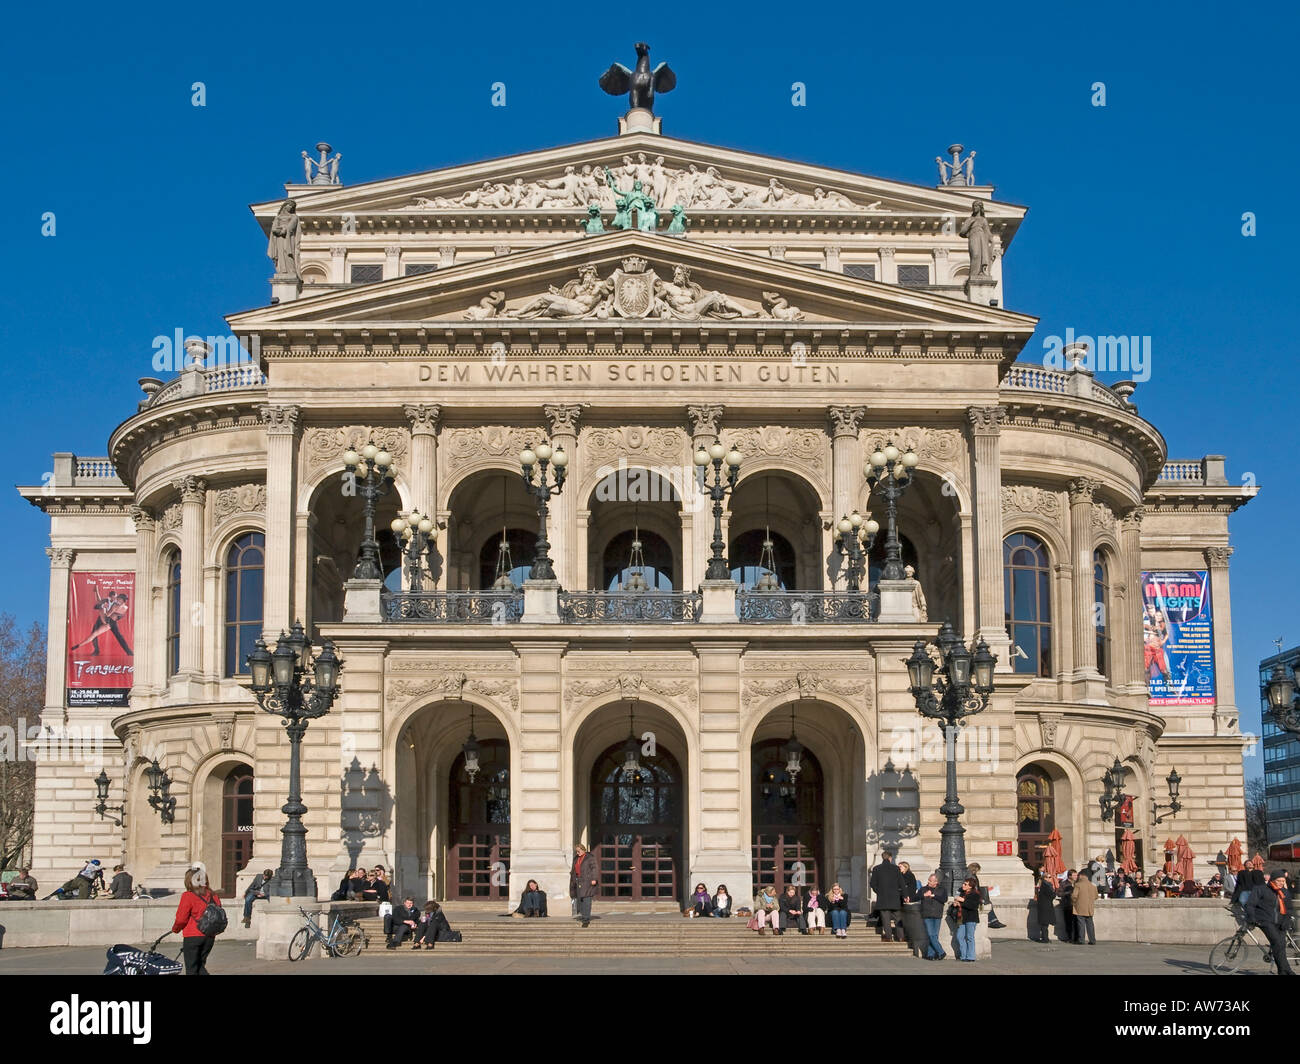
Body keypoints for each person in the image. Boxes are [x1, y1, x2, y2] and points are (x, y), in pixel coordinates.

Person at [171, 864, 221, 975]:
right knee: (200, 966)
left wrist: (175, 929)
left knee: (192, 968)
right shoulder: (214, 895)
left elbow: (181, 919)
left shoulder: (188, 896)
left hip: (193, 936)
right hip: (209, 936)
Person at [1247, 870, 1295, 976]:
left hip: (1281, 922)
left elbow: (1289, 909)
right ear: (1272, 880)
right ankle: (1288, 970)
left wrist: (1287, 920)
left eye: (1283, 881)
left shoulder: (1285, 892)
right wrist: (1252, 917)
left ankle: (1282, 971)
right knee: (1277, 942)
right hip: (1265, 920)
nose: (1282, 883)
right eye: (1279, 880)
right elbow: (1250, 904)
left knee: (1280, 946)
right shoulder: (1261, 889)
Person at [870, 850, 904, 942]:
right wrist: (905, 895)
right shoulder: (896, 868)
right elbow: (901, 883)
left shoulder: (876, 868)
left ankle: (889, 937)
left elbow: (872, 883)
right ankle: (901, 936)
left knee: (886, 919)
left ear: (882, 857)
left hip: (883, 898)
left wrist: (879, 891)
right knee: (898, 918)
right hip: (895, 897)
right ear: (890, 858)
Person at [919, 873, 948, 960]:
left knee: (934, 935)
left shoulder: (942, 889)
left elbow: (944, 899)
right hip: (927, 914)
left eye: (931, 881)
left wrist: (934, 896)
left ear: (936, 882)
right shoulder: (923, 889)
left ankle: (930, 954)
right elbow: (916, 897)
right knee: (931, 934)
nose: (929, 882)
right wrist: (924, 895)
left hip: (937, 914)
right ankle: (941, 952)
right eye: (929, 880)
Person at [967, 862, 1005, 928]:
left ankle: (993, 921)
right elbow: (973, 888)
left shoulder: (971, 875)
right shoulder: (971, 876)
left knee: (987, 902)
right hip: (972, 897)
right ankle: (992, 921)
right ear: (974, 869)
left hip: (973, 896)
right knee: (986, 902)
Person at [569, 843, 599, 927]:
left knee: (587, 899)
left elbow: (594, 868)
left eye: (578, 851)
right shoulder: (576, 858)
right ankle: (583, 915)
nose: (577, 853)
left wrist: (594, 879)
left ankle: (586, 919)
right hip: (578, 881)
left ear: (583, 849)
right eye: (576, 851)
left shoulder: (590, 857)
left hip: (588, 881)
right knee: (580, 899)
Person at [953, 878, 981, 961]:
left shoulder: (975, 894)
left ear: (970, 886)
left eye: (965, 884)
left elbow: (973, 906)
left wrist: (962, 900)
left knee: (969, 937)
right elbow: (962, 904)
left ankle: (971, 957)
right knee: (959, 936)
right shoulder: (962, 893)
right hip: (962, 918)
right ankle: (964, 955)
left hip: (971, 918)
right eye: (963, 883)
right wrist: (956, 903)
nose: (963, 885)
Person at [1071, 866, 1098, 944]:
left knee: (1081, 924)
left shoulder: (1078, 885)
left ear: (1081, 875)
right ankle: (1092, 940)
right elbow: (1096, 896)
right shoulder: (1093, 885)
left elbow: (1074, 896)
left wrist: (1074, 901)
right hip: (1090, 907)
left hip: (1080, 907)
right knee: (1090, 924)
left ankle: (1081, 940)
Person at [1033, 867, 1056, 942]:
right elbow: (1052, 895)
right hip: (1046, 907)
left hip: (1044, 906)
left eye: (1050, 877)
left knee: (1044, 923)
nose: (1050, 878)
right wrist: (1054, 893)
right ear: (1045, 878)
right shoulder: (1046, 885)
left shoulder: (1045, 885)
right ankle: (1045, 938)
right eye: (1049, 877)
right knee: (1045, 924)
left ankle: (1045, 938)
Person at [1059, 869, 1077, 942]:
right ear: (1069, 876)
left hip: (1076, 906)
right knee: (1068, 922)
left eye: (1076, 875)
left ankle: (1076, 938)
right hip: (1067, 905)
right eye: (1074, 875)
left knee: (1076, 922)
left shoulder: (1078, 883)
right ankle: (1069, 937)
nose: (1076, 876)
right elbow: (1059, 893)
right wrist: (1068, 893)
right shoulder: (1064, 883)